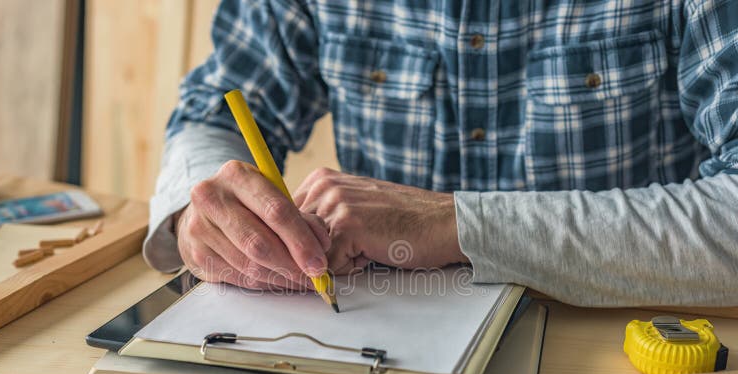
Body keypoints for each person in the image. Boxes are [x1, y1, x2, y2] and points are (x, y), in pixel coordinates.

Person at [143, 1, 738, 307]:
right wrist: (198, 212)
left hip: (613, 347)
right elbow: (212, 116)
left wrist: (458, 224)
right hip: (375, 358)